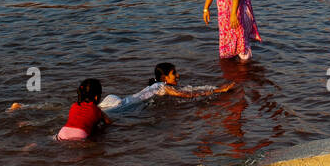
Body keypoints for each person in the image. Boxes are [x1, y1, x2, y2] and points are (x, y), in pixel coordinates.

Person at [99, 63, 235, 111]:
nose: (178, 75)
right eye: (174, 73)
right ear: (165, 78)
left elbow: (188, 90)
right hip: (121, 106)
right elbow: (188, 95)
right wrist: (219, 90)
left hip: (116, 100)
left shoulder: (157, 85)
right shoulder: (164, 87)